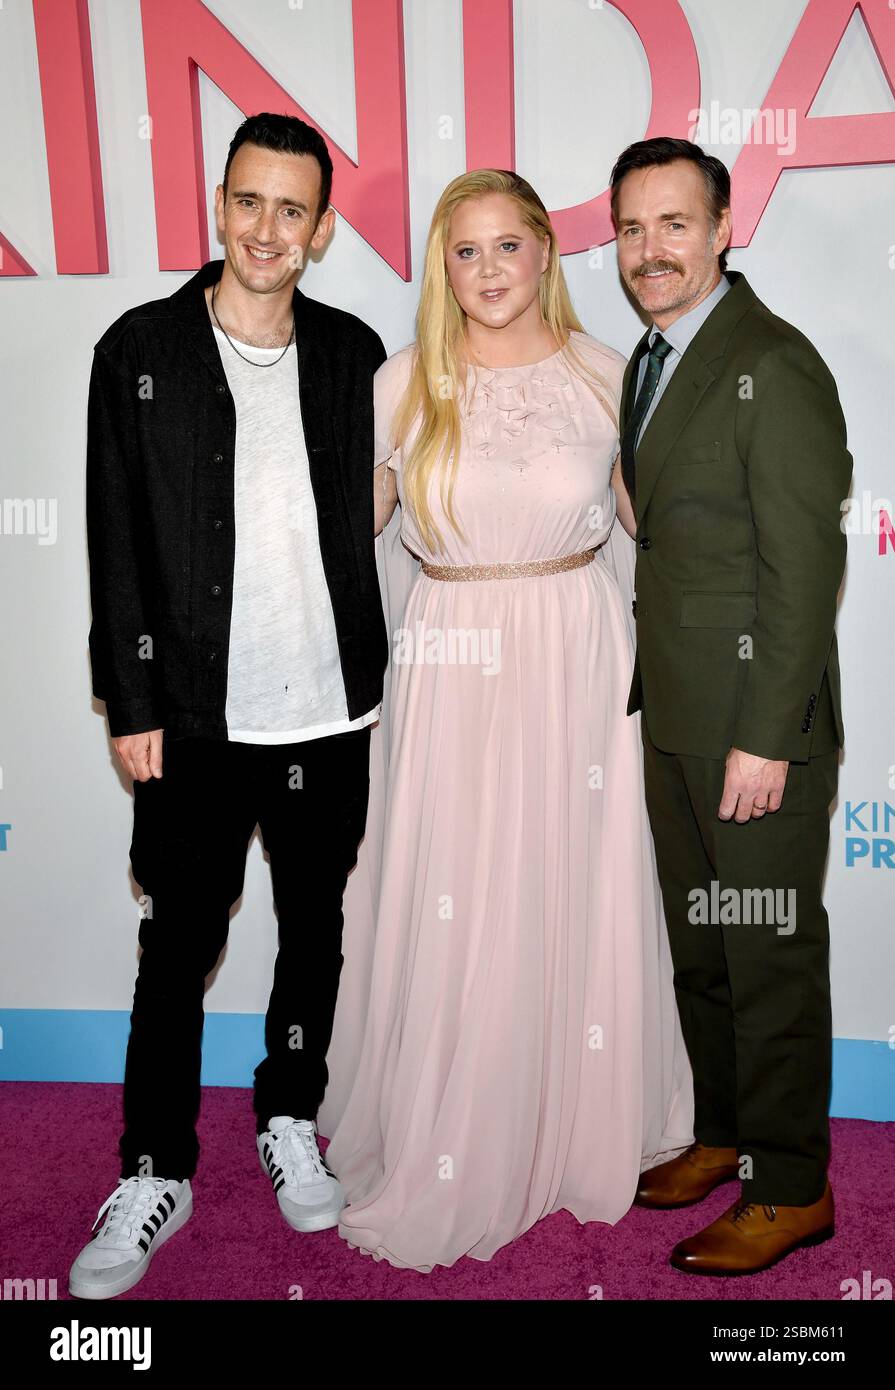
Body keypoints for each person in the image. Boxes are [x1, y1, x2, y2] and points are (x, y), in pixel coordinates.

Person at [323, 169, 694, 1272]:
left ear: (546, 252)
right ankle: (453, 1132)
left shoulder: (605, 373)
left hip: (577, 660)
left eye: (506, 246)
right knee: (461, 893)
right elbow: (340, 545)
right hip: (448, 669)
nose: (487, 271)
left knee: (571, 883)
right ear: (444, 267)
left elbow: (659, 529)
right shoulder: (400, 385)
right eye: (463, 251)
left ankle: (580, 1119)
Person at [71, 113, 386, 1299]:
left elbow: (398, 485)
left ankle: (288, 1113)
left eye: (291, 209)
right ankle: (155, 1165)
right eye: (248, 202)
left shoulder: (356, 355)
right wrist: (130, 694)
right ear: (219, 203)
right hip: (193, 718)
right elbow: (115, 536)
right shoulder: (138, 346)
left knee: (315, 932)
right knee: (179, 946)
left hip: (326, 714)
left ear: (321, 227)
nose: (266, 228)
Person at [610, 137, 852, 1275]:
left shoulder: (774, 361)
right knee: (702, 952)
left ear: (720, 229)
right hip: (671, 719)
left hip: (755, 731)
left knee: (766, 958)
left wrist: (766, 736)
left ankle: (791, 1185)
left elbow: (804, 573)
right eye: (629, 228)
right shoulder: (648, 359)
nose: (649, 250)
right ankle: (723, 1134)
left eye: (672, 225)